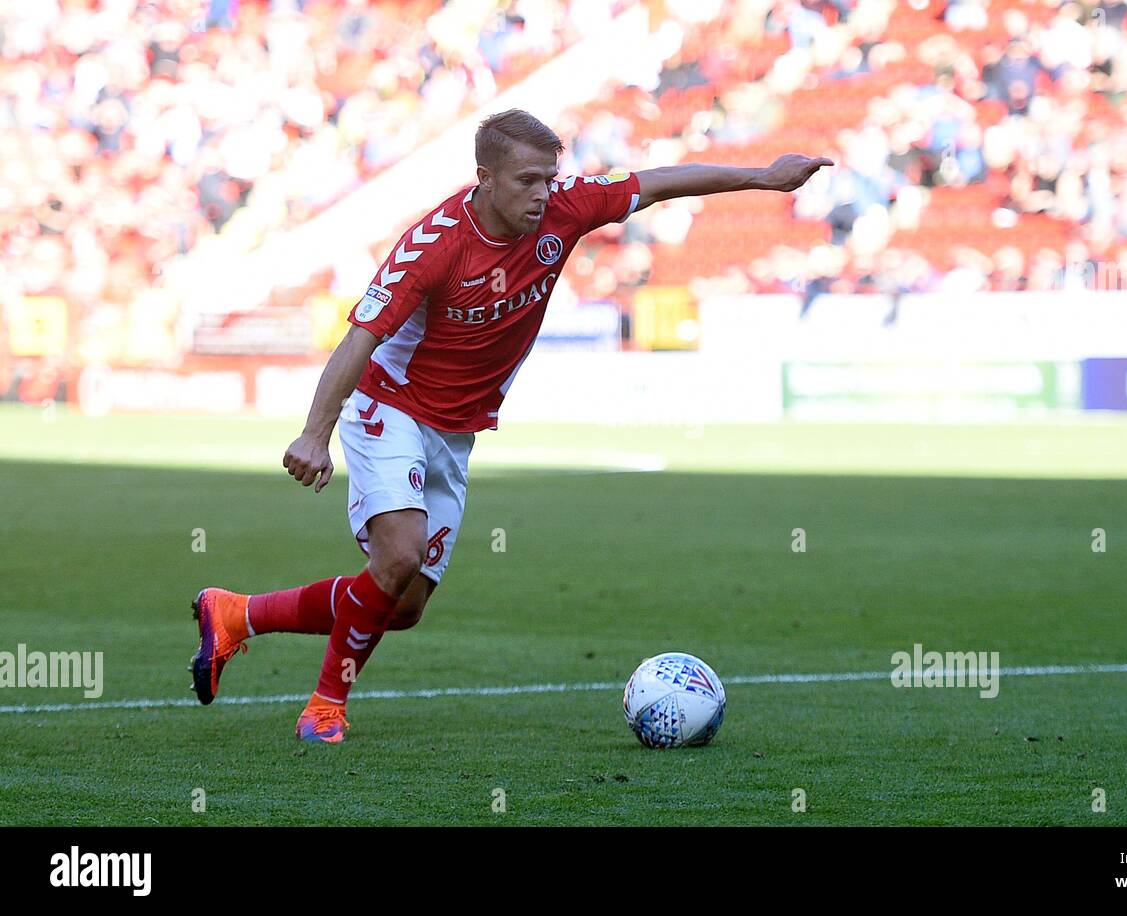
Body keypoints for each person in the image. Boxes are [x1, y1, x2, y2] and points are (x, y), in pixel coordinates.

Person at [188, 108, 831, 742]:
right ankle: (326, 706)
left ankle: (238, 614)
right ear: (484, 178)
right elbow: (360, 337)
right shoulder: (435, 245)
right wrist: (313, 432)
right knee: (400, 554)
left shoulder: (565, 209)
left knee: (403, 604)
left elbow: (659, 182)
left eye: (549, 177)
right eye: (527, 180)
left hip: (455, 431)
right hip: (392, 407)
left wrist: (765, 178)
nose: (543, 193)